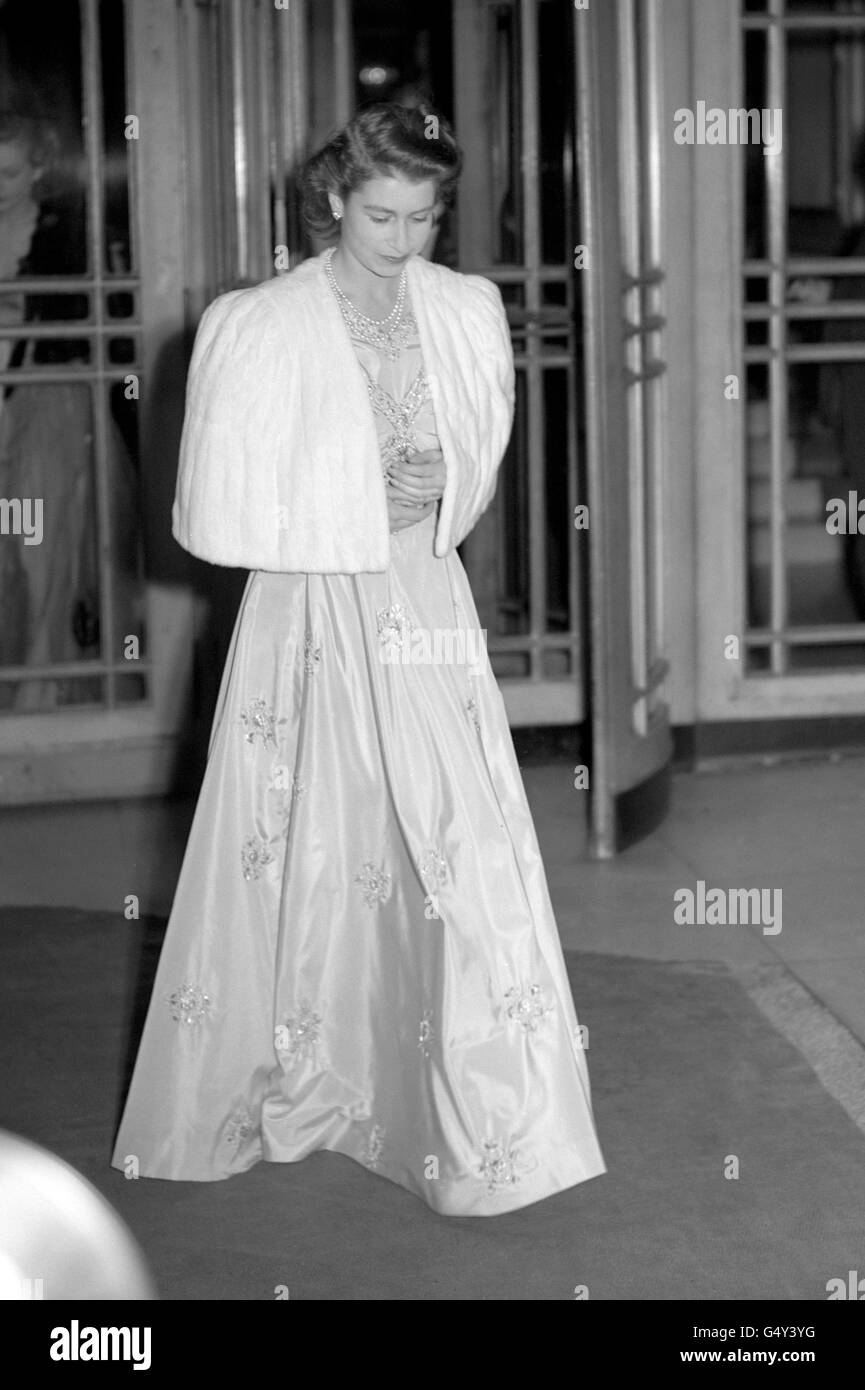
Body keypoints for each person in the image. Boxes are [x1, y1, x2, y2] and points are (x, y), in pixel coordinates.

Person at [111, 103, 605, 1216]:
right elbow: (210, 503)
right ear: (333, 198)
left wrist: (441, 490)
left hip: (421, 594)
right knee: (302, 837)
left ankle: (483, 1110)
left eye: (423, 217)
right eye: (380, 214)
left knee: (456, 830)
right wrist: (343, 499)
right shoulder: (260, 322)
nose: (400, 238)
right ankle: (301, 1075)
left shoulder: (466, 308)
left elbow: (482, 443)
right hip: (309, 603)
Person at [0, 109, 139, 710]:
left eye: (5, 172)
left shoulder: (65, 232)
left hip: (46, 405)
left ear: (37, 169)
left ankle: (38, 688)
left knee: (37, 545)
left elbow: (104, 323)